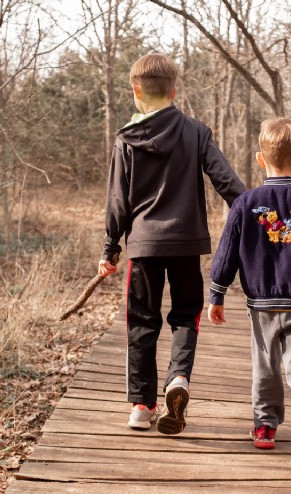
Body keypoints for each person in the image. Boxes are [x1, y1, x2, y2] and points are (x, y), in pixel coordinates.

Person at [98, 53, 246, 435]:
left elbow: (117, 200)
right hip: (186, 243)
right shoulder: (196, 131)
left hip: (144, 246)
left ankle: (141, 405)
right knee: (185, 316)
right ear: (174, 91)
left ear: (135, 91)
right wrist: (255, 212)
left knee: (142, 323)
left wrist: (110, 248)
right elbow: (224, 179)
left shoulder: (125, 140)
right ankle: (178, 378)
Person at [207, 117, 291, 479]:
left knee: (265, 365)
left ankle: (265, 427)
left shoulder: (246, 202)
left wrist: (217, 293)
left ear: (259, 159)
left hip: (262, 304)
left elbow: (226, 252)